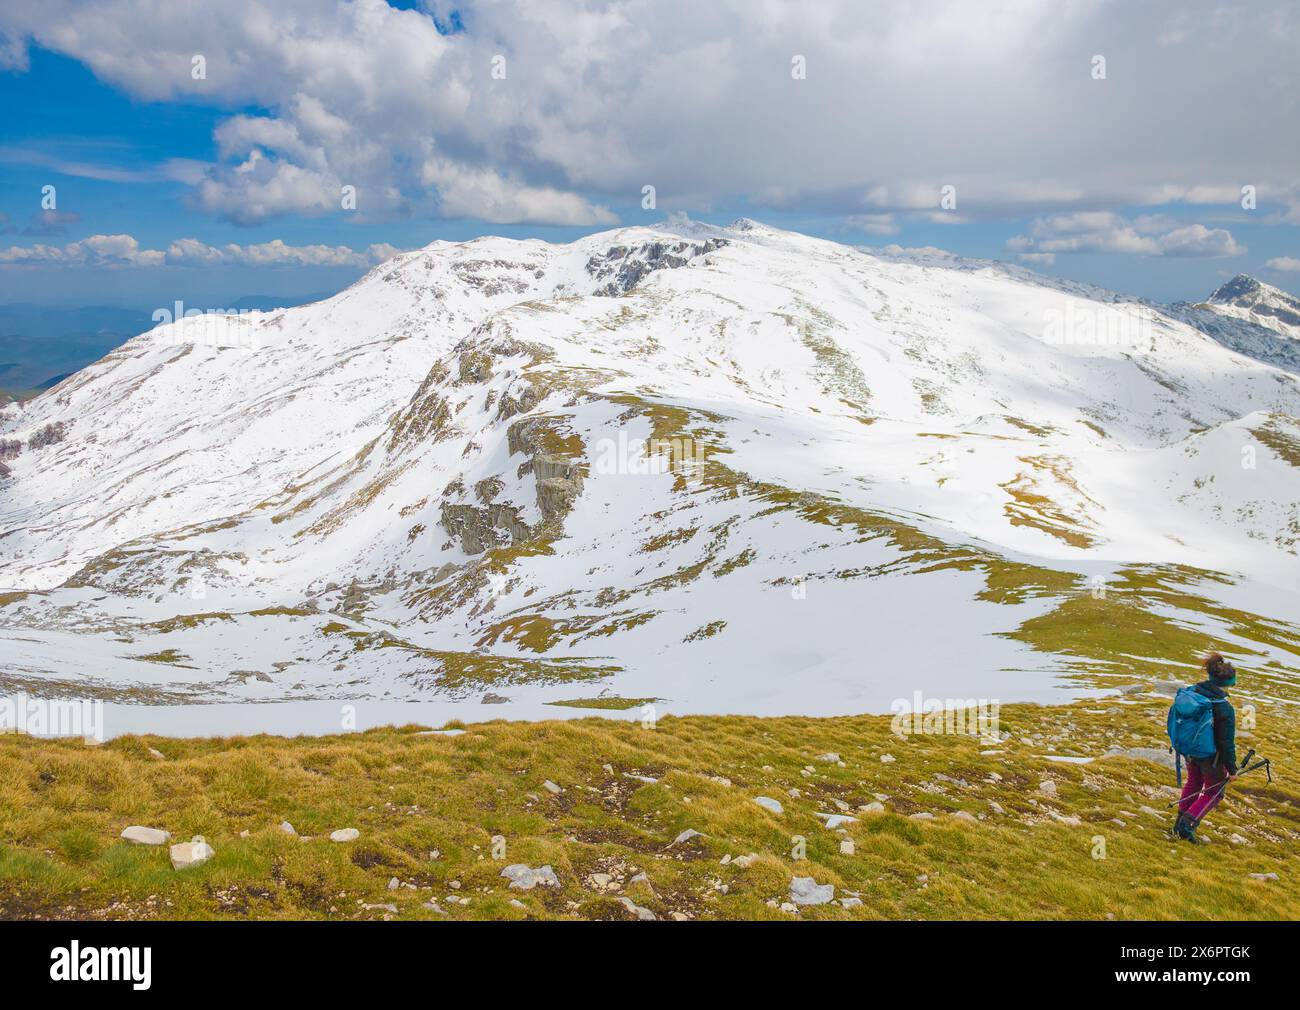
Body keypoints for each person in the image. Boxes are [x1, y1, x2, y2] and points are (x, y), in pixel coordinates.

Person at [1173, 653, 1237, 842]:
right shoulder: (1224, 707)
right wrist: (1232, 770)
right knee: (1214, 791)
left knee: (1194, 781)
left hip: (1189, 749)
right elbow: (1226, 742)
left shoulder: (1193, 693)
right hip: (1211, 756)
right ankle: (1187, 825)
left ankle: (1179, 821)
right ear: (1229, 682)